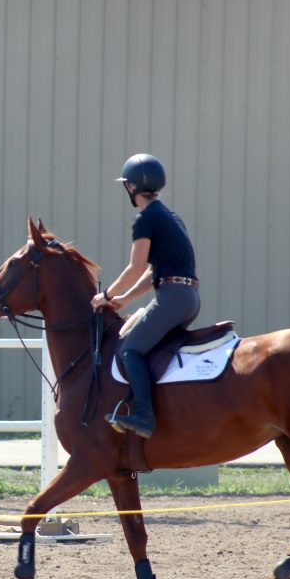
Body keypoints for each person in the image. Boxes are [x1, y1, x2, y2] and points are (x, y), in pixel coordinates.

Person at [90, 154, 200, 437]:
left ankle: (143, 417)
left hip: (172, 298)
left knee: (129, 349)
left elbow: (135, 267)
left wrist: (106, 295)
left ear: (130, 187)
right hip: (188, 298)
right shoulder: (170, 216)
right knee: (149, 348)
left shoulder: (145, 219)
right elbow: (153, 271)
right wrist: (125, 299)